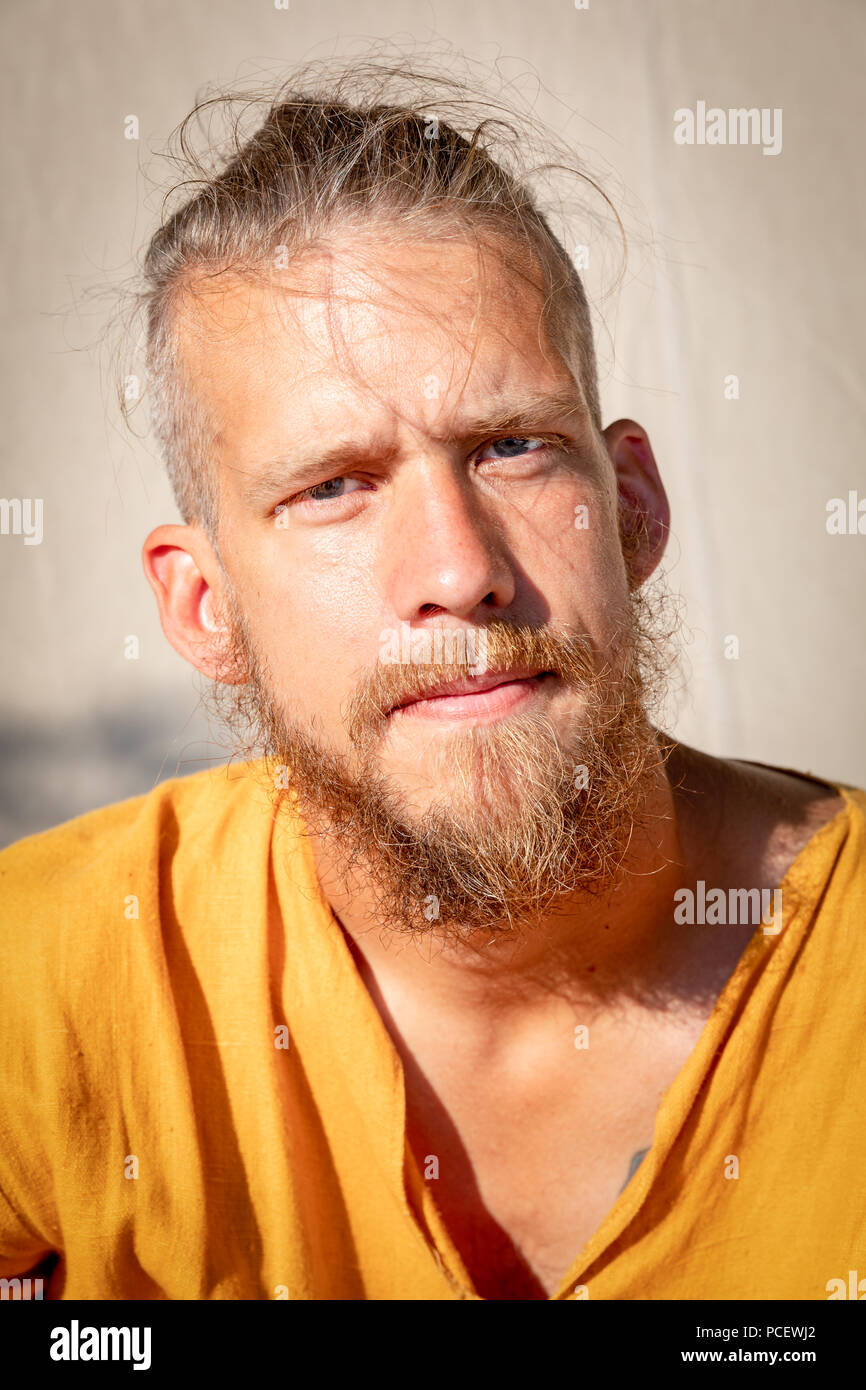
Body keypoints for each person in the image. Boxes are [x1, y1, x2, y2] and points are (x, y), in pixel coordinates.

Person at [1, 64, 864, 1303]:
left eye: (508, 447)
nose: (457, 573)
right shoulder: (42, 974)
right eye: (332, 486)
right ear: (205, 607)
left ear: (630, 507)